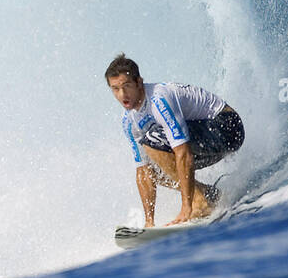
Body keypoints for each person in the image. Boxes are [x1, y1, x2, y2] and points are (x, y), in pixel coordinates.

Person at [105, 54, 244, 227]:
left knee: (151, 140)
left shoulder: (158, 100)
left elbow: (183, 154)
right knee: (151, 168)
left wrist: (186, 206)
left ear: (139, 83)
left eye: (126, 86)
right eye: (115, 89)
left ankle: (199, 201)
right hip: (205, 140)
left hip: (227, 128)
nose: (122, 94)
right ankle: (207, 194)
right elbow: (143, 171)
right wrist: (149, 222)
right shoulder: (128, 122)